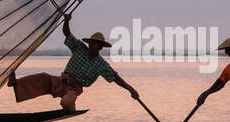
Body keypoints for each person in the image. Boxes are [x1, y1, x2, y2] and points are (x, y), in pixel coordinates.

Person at [9, 13, 139, 110]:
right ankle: (16, 83)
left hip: (74, 88)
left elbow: (115, 77)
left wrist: (130, 89)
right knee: (43, 78)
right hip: (62, 80)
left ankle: (70, 107)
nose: (92, 46)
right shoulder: (79, 48)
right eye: (92, 43)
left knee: (67, 102)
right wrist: (66, 21)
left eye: (96, 45)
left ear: (100, 47)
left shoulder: (101, 64)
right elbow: (67, 34)